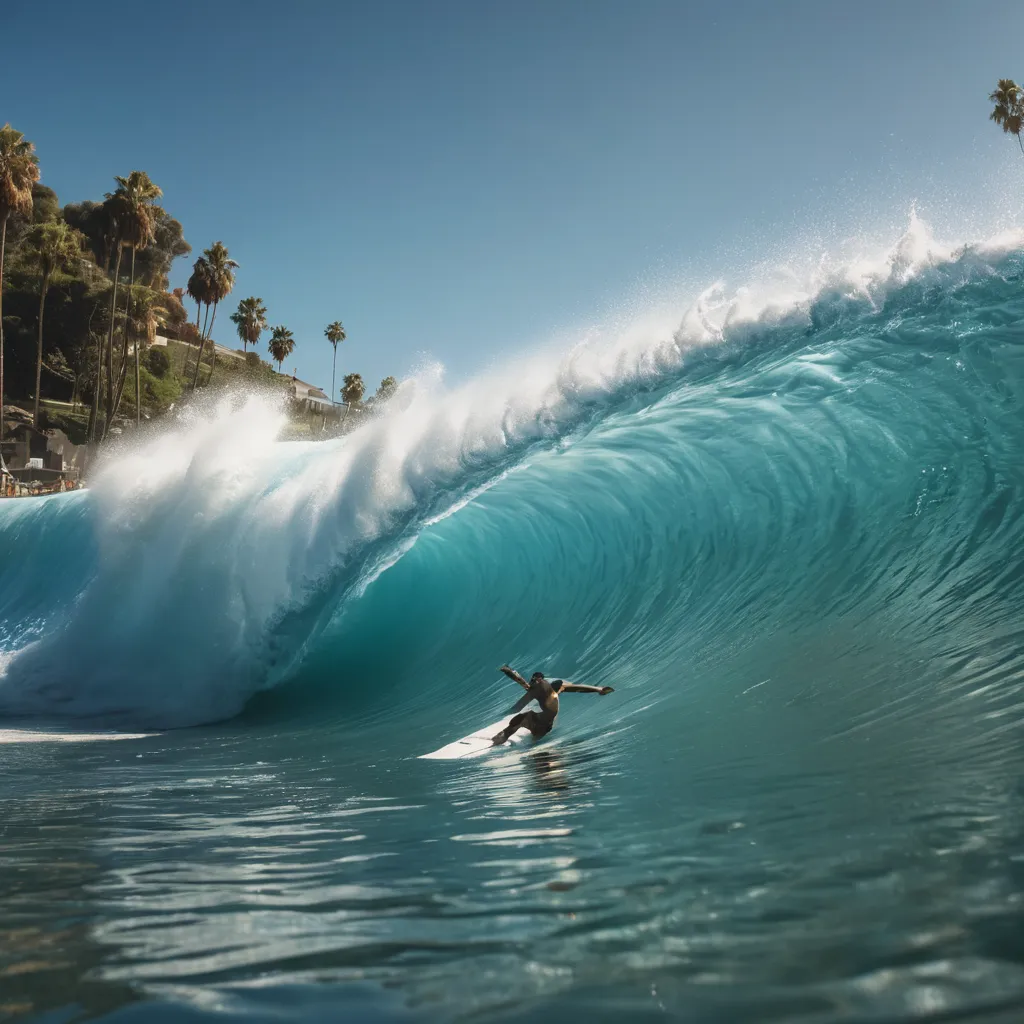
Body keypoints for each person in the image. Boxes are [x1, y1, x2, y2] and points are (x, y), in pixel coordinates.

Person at [492, 665, 614, 745]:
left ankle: (501, 742)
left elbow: (520, 681)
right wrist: (598, 689)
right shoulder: (552, 688)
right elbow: (577, 688)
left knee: (524, 726)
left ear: (540, 680)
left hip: (543, 724)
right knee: (519, 722)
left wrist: (508, 671)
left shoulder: (539, 688)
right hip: (540, 720)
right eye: (533, 680)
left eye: (535, 680)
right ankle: (497, 742)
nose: (533, 682)